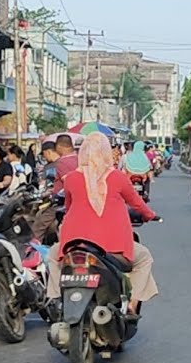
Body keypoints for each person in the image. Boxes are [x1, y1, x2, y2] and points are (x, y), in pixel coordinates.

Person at [46, 132, 158, 316]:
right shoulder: (118, 177)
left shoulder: (71, 179)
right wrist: (150, 215)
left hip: (74, 247)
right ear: (106, 153)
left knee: (52, 255)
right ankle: (132, 304)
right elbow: (137, 204)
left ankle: (57, 299)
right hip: (114, 250)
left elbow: (69, 207)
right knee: (144, 257)